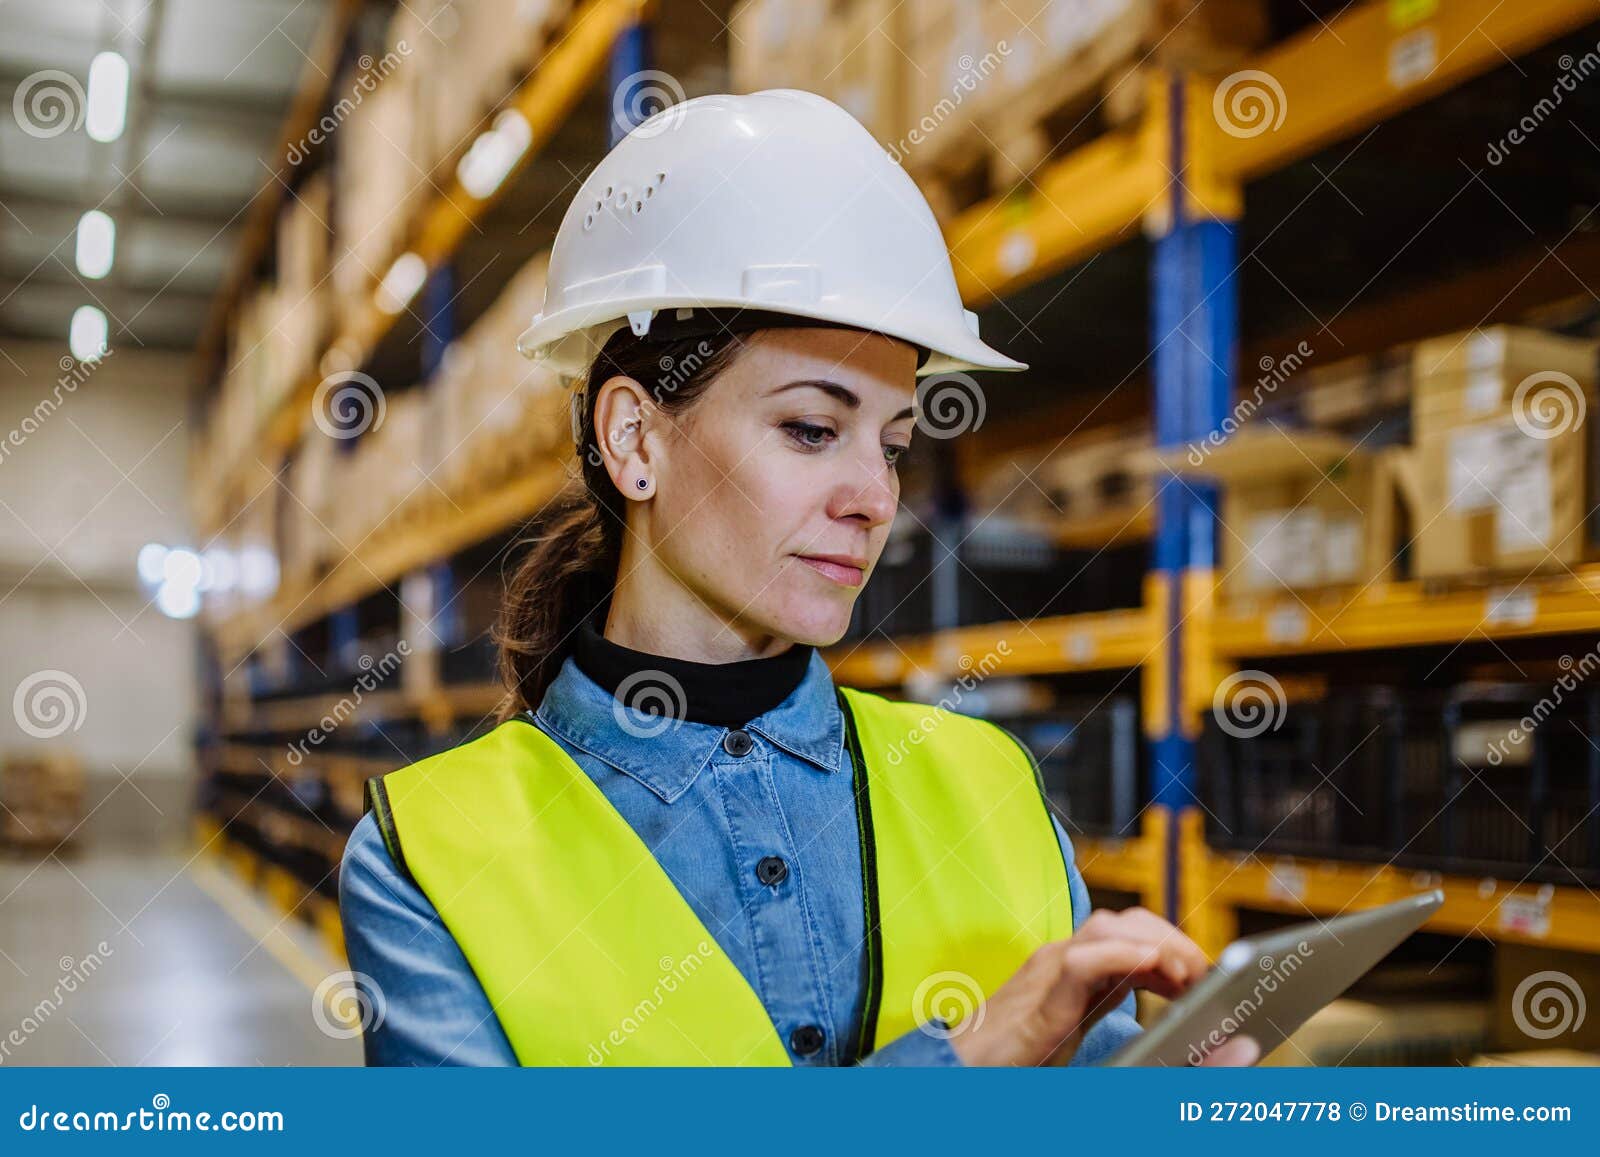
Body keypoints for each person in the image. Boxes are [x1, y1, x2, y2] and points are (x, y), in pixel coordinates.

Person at [338, 90, 1253, 1068]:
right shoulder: (429, 857)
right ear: (635, 439)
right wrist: (961, 1068)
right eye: (812, 428)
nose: (873, 496)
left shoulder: (988, 786)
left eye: (892, 442)